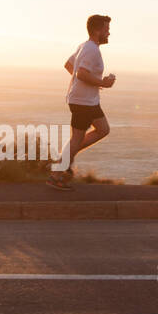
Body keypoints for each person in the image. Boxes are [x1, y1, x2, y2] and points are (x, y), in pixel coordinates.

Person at [49, 14, 115, 190]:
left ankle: (64, 159)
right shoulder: (92, 50)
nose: (109, 33)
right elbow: (81, 73)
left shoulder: (84, 46)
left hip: (87, 100)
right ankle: (56, 174)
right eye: (106, 30)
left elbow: (69, 65)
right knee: (77, 139)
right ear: (96, 30)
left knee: (103, 129)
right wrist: (103, 83)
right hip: (83, 102)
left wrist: (89, 83)